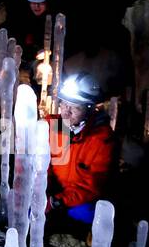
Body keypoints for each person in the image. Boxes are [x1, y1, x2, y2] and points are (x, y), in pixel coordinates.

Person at [47, 72, 116, 228]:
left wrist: (57, 202)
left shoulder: (101, 140)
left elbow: (92, 186)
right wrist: (43, 193)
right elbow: (41, 165)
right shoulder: (51, 126)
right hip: (54, 194)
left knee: (91, 216)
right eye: (63, 104)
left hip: (79, 200)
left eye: (74, 108)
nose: (65, 112)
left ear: (90, 109)